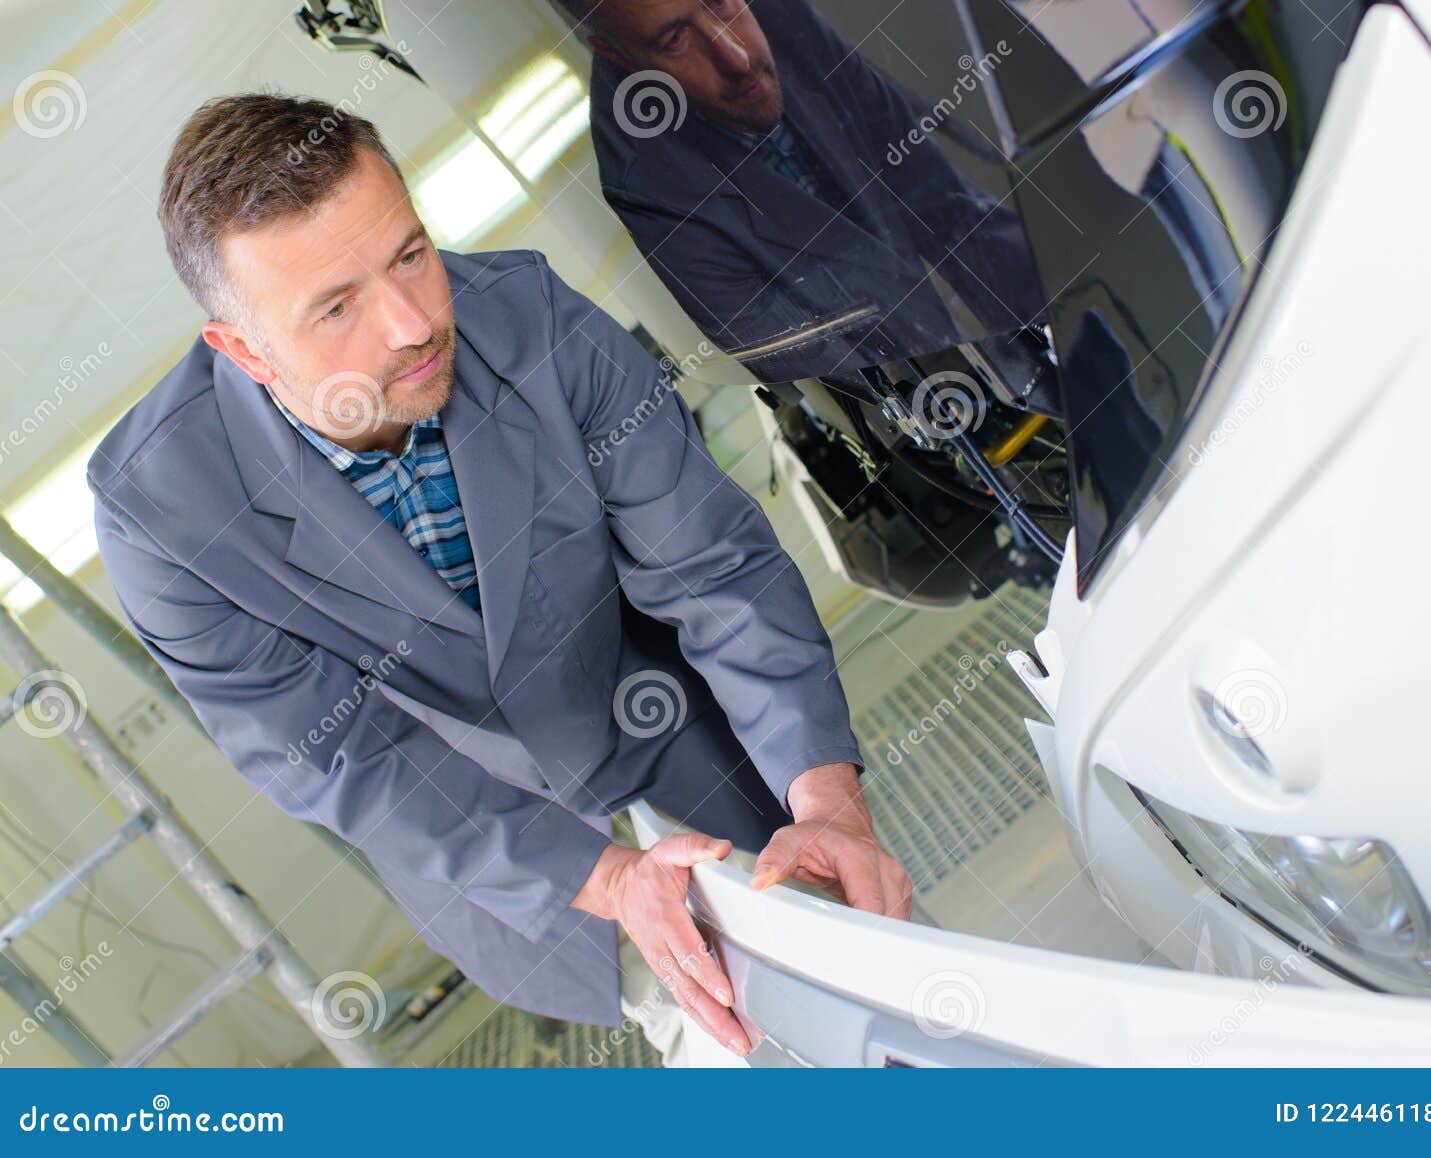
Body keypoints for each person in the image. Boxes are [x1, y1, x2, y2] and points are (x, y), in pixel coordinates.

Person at [89, 93, 912, 1058]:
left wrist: (827, 806)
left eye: (408, 253)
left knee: (903, 1007)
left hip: (675, 738)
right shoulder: (161, 512)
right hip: (501, 853)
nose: (410, 324)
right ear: (241, 349)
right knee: (760, 1064)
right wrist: (609, 881)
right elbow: (344, 758)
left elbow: (712, 566)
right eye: (337, 307)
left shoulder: (529, 316)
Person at [569, 0, 1045, 382]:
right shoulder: (650, 186)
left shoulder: (778, 13)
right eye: (674, 39)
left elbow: (944, 205)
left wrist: (1069, 315)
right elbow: (832, 375)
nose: (736, 56)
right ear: (618, 56)